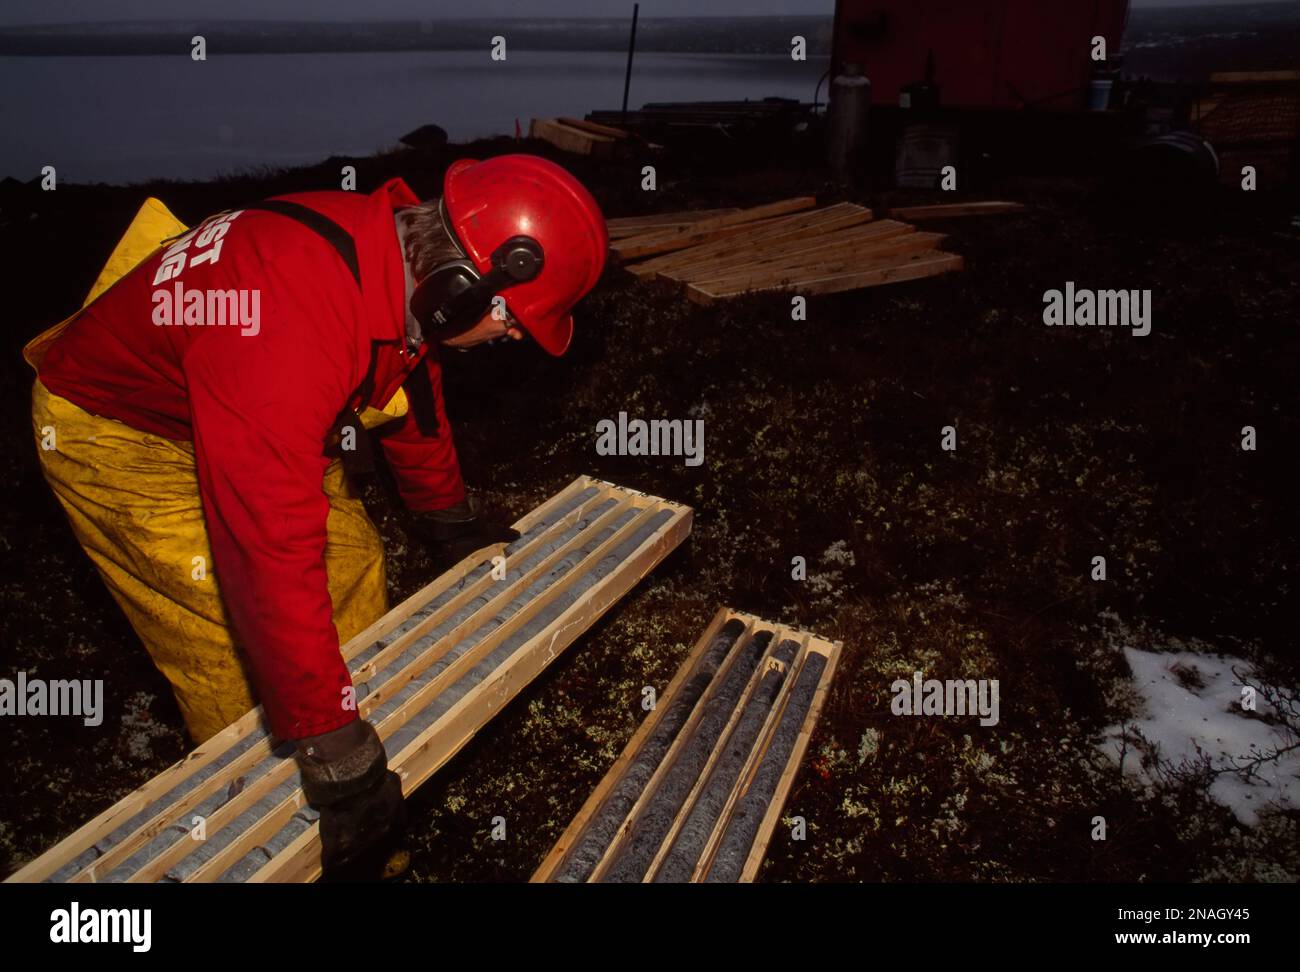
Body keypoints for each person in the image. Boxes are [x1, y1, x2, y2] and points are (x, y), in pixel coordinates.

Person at [25, 154, 608, 877]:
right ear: (459, 291)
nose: (514, 337)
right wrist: (337, 760)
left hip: (235, 387)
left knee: (350, 562)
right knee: (231, 648)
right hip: (123, 435)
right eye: (512, 321)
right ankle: (271, 833)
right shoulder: (288, 330)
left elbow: (410, 376)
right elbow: (265, 553)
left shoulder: (391, 257)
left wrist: (446, 514)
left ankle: (346, 732)